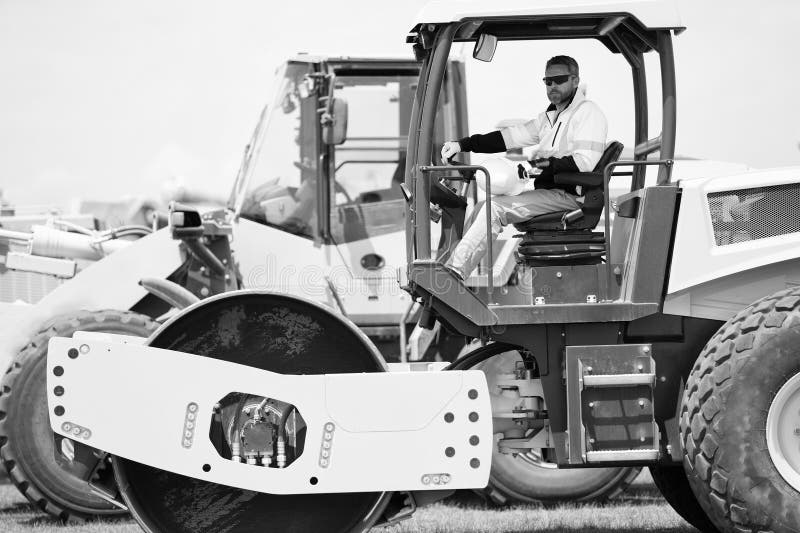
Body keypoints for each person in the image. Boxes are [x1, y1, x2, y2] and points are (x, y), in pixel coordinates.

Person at [440, 55, 608, 280]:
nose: (553, 86)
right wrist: (462, 144)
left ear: (575, 80)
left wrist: (534, 165)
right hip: (551, 193)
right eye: (547, 81)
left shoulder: (588, 113)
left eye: (559, 79)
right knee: (483, 207)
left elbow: (583, 162)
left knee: (494, 209)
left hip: (570, 196)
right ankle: (456, 268)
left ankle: (453, 274)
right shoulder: (550, 118)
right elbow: (507, 138)